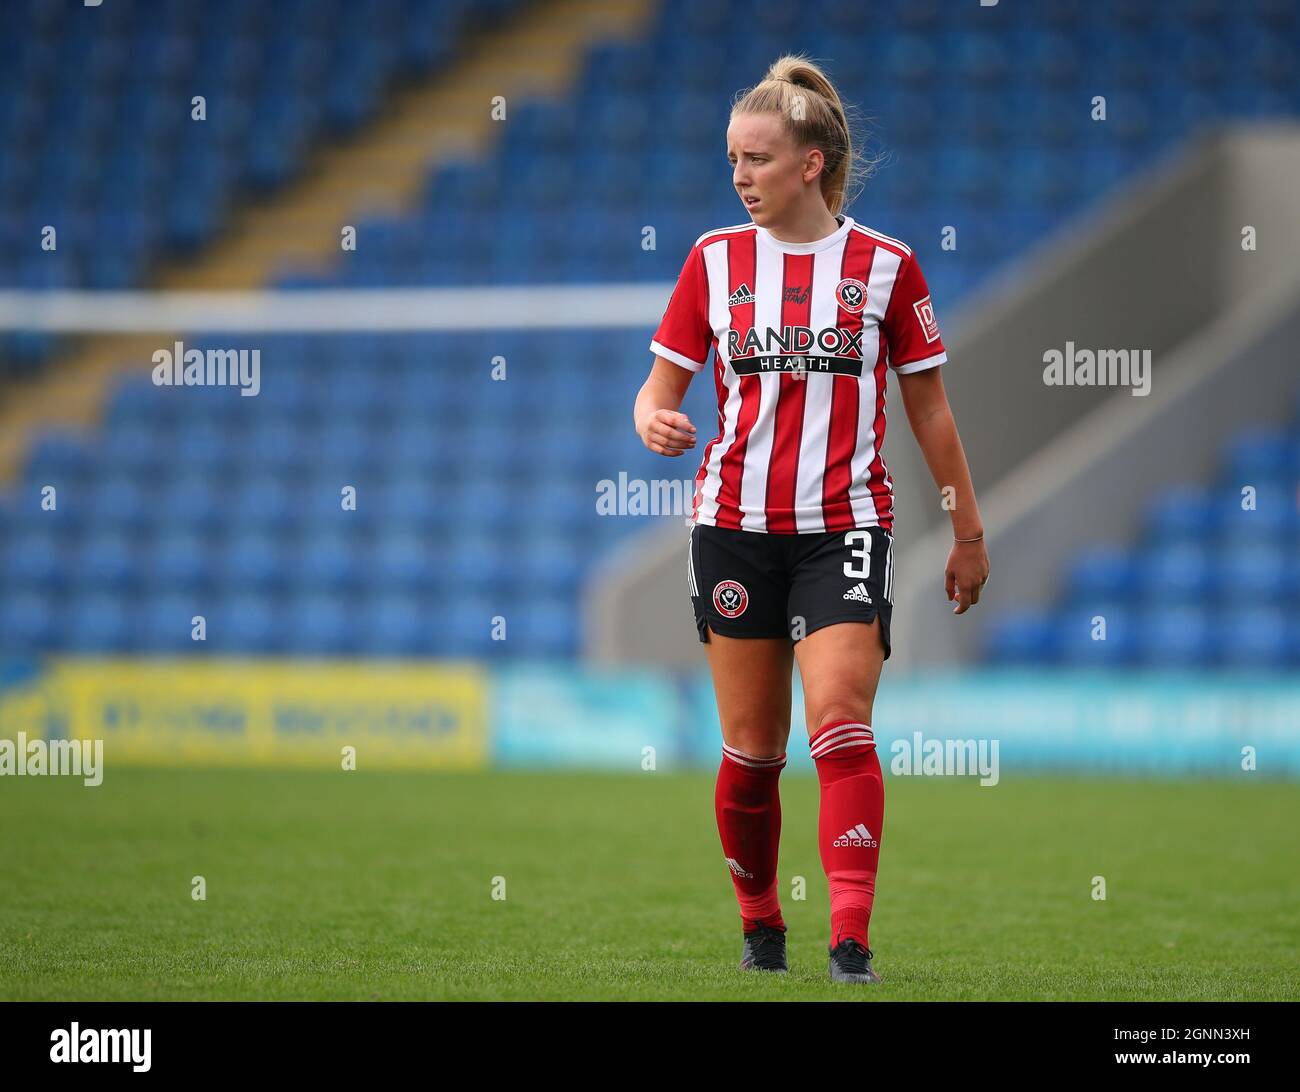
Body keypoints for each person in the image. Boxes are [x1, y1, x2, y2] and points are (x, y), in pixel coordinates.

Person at [633, 55, 990, 984]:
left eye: (757, 158)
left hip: (847, 530)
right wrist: (654, 420)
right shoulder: (714, 263)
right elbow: (657, 389)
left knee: (839, 723)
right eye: (732, 159)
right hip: (733, 530)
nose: (741, 175)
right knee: (754, 753)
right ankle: (761, 926)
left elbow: (931, 413)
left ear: (812, 163)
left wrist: (968, 532)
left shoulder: (887, 268)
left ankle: (850, 941)